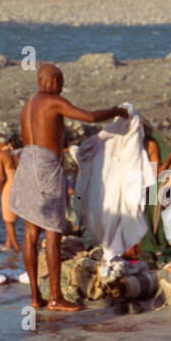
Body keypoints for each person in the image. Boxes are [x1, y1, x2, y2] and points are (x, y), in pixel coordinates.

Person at [14, 63, 127, 312]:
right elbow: (88, 117)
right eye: (61, 81)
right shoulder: (52, 101)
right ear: (53, 80)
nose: (62, 87)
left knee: (31, 231)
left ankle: (35, 296)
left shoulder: (28, 105)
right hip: (45, 168)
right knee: (53, 230)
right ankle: (55, 297)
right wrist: (117, 110)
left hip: (27, 164)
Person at [0, 134, 19, 251]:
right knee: (12, 217)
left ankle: (16, 247)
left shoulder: (0, 155)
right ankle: (8, 243)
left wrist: (1, 189)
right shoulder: (15, 154)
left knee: (8, 220)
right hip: (19, 186)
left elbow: (1, 177)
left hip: (9, 186)